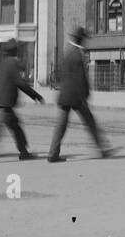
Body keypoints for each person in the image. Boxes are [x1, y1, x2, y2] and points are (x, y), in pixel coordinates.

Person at [48, 26, 116, 162]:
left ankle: (53, 154)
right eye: (84, 39)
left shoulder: (67, 52)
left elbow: (60, 74)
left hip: (65, 95)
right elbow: (81, 78)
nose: (86, 42)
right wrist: (86, 94)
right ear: (81, 39)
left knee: (61, 125)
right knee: (90, 122)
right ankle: (103, 149)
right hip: (76, 96)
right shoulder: (77, 54)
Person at [0, 39, 44, 162]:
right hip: (3, 104)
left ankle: (24, 152)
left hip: (2, 103)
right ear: (15, 51)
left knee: (16, 127)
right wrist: (36, 96)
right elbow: (20, 83)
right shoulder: (12, 63)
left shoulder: (4, 63)